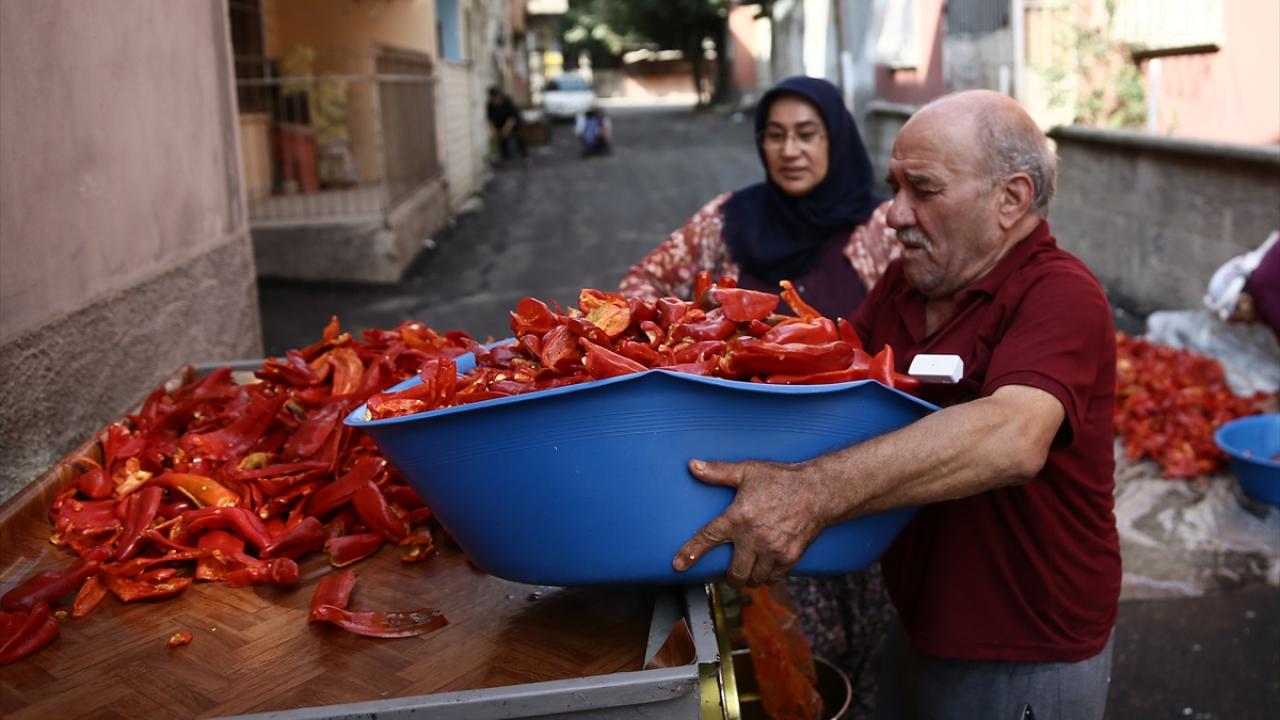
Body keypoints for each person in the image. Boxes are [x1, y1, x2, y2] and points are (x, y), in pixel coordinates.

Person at [671, 89, 1121, 719]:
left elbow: (1012, 436)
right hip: (919, 613)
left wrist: (808, 494)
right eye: (894, 187)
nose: (893, 215)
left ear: (1012, 199)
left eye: (924, 190)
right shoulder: (908, 283)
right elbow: (835, 388)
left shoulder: (1059, 294)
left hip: (1024, 639)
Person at [619, 76, 900, 720]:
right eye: (774, 135)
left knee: (854, 642)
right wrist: (688, 345)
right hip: (739, 475)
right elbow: (633, 296)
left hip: (853, 469)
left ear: (838, 139)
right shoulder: (729, 221)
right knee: (754, 647)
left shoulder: (881, 227)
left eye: (807, 134)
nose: (789, 150)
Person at [486, 86, 528, 165]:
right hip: (500, 123)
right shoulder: (490, 105)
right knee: (502, 140)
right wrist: (493, 130)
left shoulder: (507, 101)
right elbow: (490, 119)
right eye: (493, 98)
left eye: (497, 98)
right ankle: (506, 159)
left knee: (519, 137)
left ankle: (525, 156)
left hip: (514, 122)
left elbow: (512, 118)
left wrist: (506, 129)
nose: (495, 100)